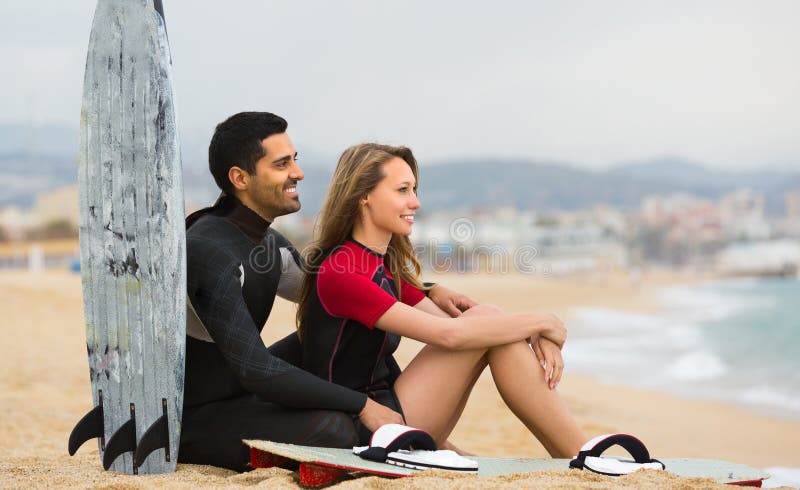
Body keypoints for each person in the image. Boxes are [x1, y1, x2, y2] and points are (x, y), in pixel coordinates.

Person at [179, 112, 476, 471]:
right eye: (282, 164)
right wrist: (362, 405)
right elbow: (256, 369)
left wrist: (427, 290)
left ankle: (410, 430)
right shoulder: (208, 249)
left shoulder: (265, 242)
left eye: (295, 160)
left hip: (242, 395)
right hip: (199, 417)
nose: (298, 173)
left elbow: (340, 290)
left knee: (343, 331)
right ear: (240, 178)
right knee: (337, 429)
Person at [298, 143, 588, 456]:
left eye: (414, 190)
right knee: (486, 321)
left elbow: (470, 327)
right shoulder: (342, 271)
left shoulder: (383, 267)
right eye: (402, 190)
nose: (416, 202)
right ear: (363, 196)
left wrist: (535, 335)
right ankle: (580, 454)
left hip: (391, 410)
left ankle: (578, 452)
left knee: (489, 321)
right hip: (362, 426)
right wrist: (544, 323)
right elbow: (450, 335)